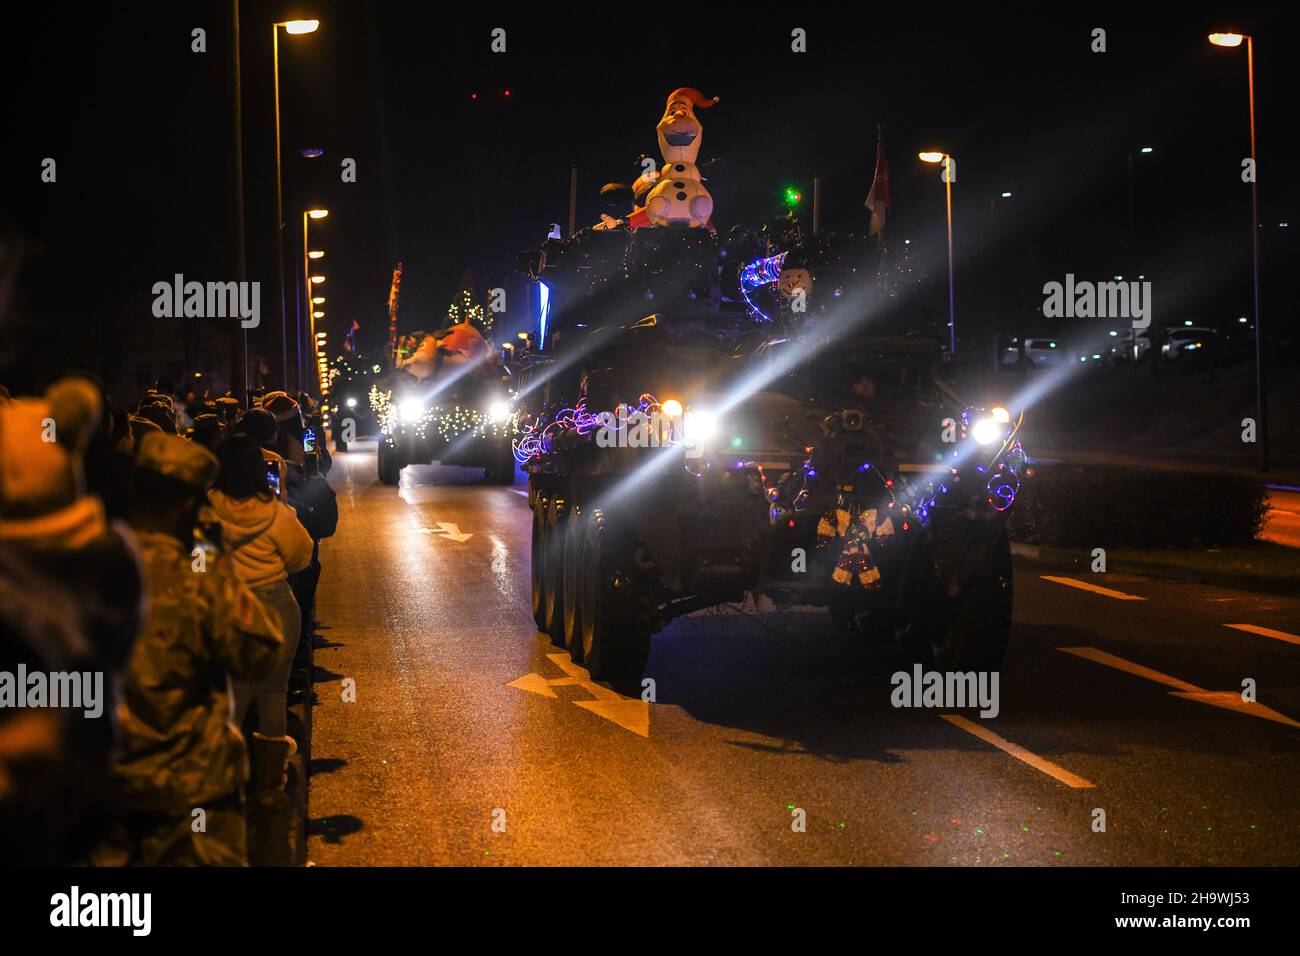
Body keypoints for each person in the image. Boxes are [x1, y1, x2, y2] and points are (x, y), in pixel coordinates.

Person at [206, 434, 312, 815]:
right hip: (274, 605)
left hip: (227, 606)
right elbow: (301, 558)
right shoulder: (276, 513)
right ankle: (269, 786)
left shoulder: (205, 511)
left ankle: (226, 781)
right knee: (272, 694)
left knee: (232, 694)